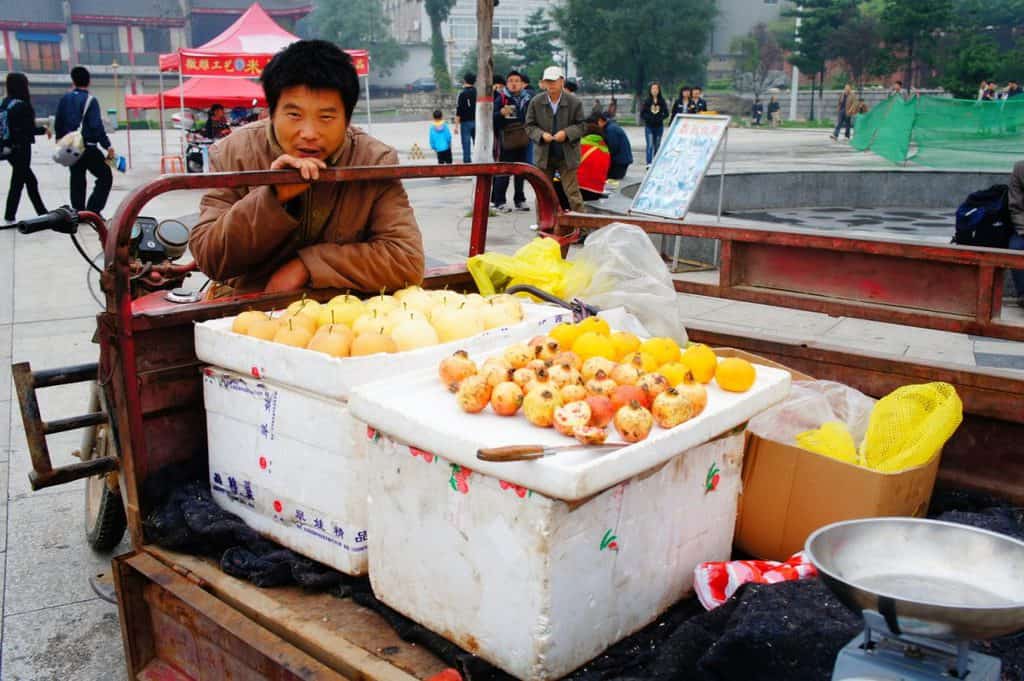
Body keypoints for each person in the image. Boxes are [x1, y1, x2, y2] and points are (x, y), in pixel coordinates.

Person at [189, 39, 424, 297]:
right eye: (294, 115)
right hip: (246, 309)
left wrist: (307, 266)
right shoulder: (234, 153)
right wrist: (273, 198)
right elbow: (210, 258)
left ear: (347, 118)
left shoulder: (374, 160)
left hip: (338, 314)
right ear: (271, 111)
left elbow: (406, 260)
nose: (309, 133)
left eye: (326, 117)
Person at [525, 66, 586, 212]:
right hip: (544, 156)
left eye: (554, 81)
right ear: (543, 83)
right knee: (543, 194)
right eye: (547, 81)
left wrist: (566, 133)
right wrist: (541, 135)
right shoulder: (536, 102)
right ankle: (544, 227)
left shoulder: (574, 102)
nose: (551, 84)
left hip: (567, 155)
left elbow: (582, 126)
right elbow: (529, 126)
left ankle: (582, 229)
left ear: (562, 81)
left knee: (572, 193)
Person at [55, 66, 114, 215]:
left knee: (77, 178)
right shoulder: (90, 100)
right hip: (88, 146)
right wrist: (107, 145)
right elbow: (96, 126)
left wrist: (61, 141)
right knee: (105, 176)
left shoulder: (65, 99)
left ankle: (78, 211)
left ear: (73, 81)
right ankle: (93, 209)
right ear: (89, 81)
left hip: (71, 146)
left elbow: (58, 122)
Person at [2, 73, 49, 225]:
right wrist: (43, 129)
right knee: (22, 181)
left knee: (25, 180)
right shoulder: (23, 105)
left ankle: (16, 214)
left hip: (8, 149)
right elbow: (27, 130)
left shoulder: (5, 103)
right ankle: (41, 214)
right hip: (21, 149)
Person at [491, 70, 532, 212]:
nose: (514, 84)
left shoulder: (528, 98)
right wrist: (501, 113)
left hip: (523, 139)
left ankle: (520, 200)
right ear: (507, 84)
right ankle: (499, 201)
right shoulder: (501, 99)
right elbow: (492, 119)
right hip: (506, 141)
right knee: (504, 171)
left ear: (522, 84)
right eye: (511, 81)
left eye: (517, 81)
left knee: (521, 172)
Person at [587, 110, 632, 180]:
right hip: (618, 161)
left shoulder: (611, 130)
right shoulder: (609, 127)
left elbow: (612, 149)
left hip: (619, 164)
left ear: (600, 121)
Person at [640, 82, 669, 166]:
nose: (655, 90)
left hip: (659, 126)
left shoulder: (662, 101)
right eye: (653, 88)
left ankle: (656, 163)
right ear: (650, 90)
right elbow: (642, 114)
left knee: (657, 145)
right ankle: (649, 163)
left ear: (659, 90)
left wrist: (660, 118)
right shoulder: (647, 101)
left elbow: (666, 113)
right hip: (649, 127)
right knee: (649, 145)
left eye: (656, 88)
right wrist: (649, 118)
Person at [1008, 160, 1024, 301]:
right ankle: (1023, 295)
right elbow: (1015, 207)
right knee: (1016, 248)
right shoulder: (1020, 168)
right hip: (1023, 228)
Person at [454, 73, 476, 163]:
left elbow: (459, 111)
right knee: (477, 143)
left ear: (464, 80)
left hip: (465, 122)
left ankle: (467, 162)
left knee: (466, 144)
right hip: (477, 122)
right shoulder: (478, 92)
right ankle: (480, 161)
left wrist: (456, 126)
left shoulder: (462, 94)